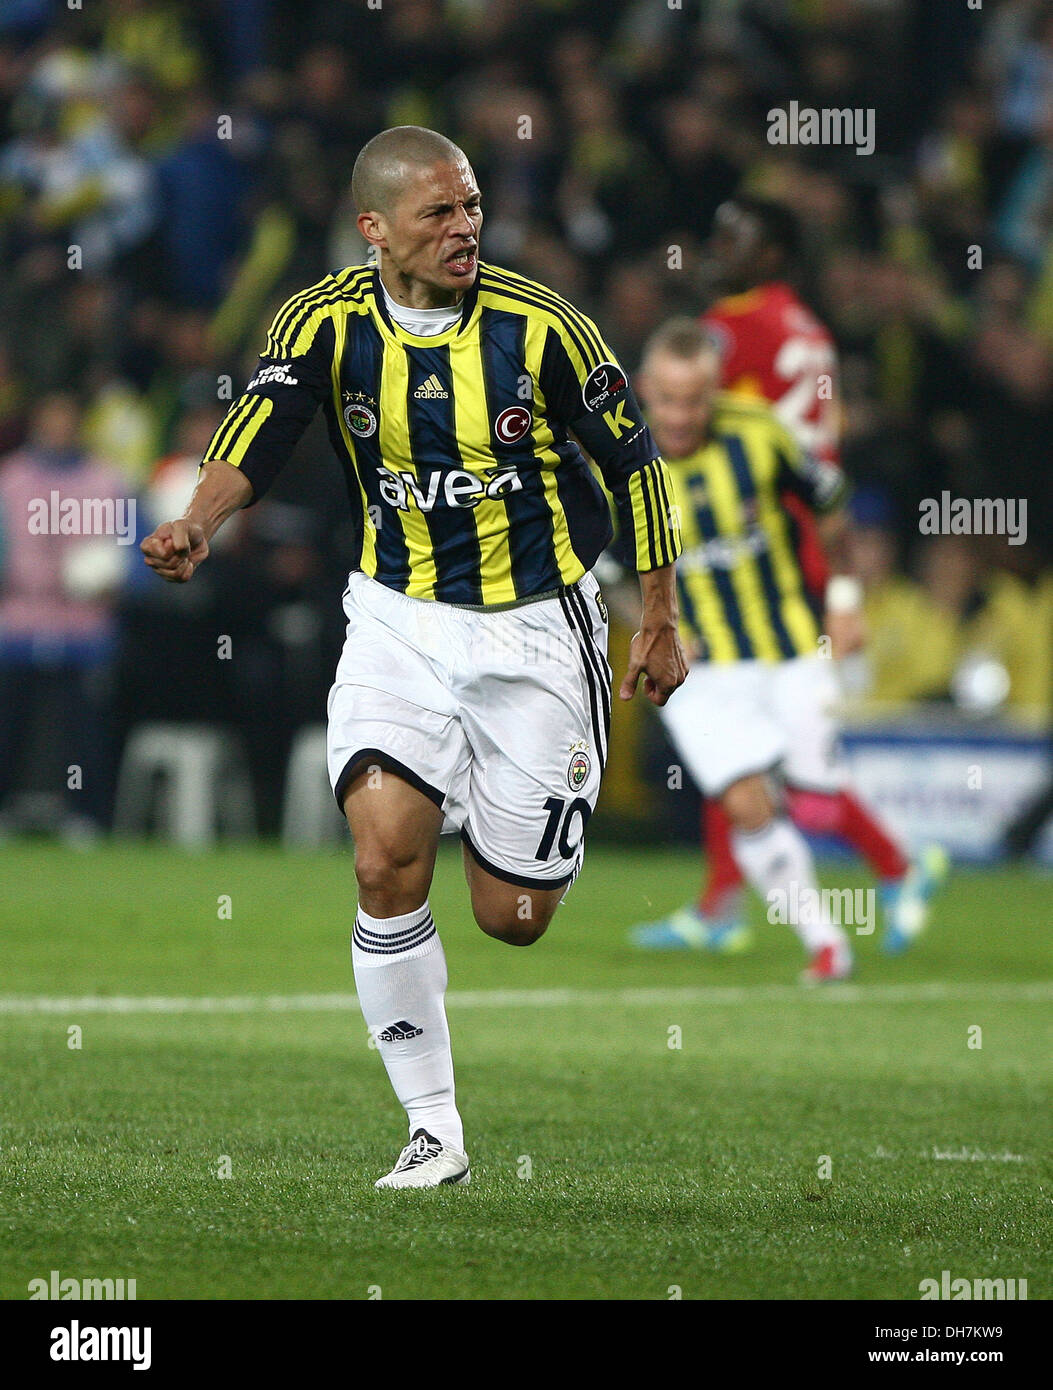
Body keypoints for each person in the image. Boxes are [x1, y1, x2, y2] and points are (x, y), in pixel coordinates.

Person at [140, 126, 686, 1188]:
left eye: (472, 205)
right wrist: (201, 519)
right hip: (397, 616)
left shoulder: (544, 331)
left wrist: (657, 611)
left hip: (536, 628)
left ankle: (489, 786)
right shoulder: (322, 321)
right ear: (375, 229)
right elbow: (257, 428)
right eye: (438, 212)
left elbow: (636, 462)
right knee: (384, 860)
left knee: (512, 917)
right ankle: (435, 1130)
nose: (465, 227)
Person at [631, 197, 945, 956]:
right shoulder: (804, 326)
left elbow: (699, 423)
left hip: (756, 540)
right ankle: (724, 900)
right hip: (791, 536)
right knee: (730, 738)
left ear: (771, 253)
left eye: (734, 237)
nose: (714, 247)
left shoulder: (731, 327)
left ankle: (892, 861)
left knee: (766, 756)